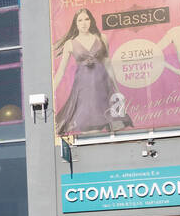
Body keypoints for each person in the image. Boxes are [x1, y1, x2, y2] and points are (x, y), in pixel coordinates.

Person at [52, 8, 132, 136]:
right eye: (80, 20)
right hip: (84, 89)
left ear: (91, 21)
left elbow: (108, 63)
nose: (84, 23)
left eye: (86, 19)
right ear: (76, 24)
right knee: (88, 125)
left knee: (108, 123)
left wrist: (117, 90)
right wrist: (51, 91)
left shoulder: (102, 38)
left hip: (103, 85)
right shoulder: (70, 44)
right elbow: (61, 71)